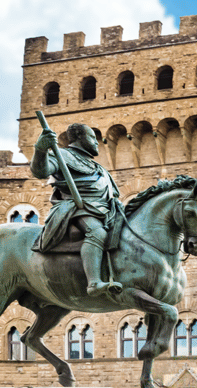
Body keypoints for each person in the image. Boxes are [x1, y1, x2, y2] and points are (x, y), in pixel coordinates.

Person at [30, 122, 126, 297]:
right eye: (92, 137)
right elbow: (41, 171)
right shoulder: (62, 155)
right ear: (80, 137)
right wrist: (40, 150)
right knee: (97, 233)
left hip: (103, 210)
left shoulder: (97, 167)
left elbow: (110, 194)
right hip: (77, 209)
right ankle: (94, 282)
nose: (97, 142)